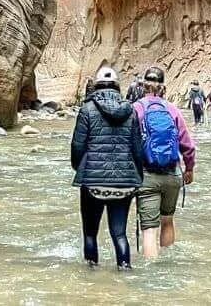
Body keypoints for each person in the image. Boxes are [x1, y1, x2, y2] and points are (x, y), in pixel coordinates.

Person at [71, 66, 149, 269]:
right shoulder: (130, 110)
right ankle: (125, 271)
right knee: (120, 234)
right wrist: (137, 177)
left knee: (90, 233)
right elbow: (137, 148)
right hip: (124, 182)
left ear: (96, 86)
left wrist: (79, 169)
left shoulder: (87, 109)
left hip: (93, 182)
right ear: (117, 87)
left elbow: (78, 145)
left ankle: (89, 277)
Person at [132, 66, 196, 258]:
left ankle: (151, 276)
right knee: (167, 221)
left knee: (149, 229)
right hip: (172, 174)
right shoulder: (172, 109)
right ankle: (168, 265)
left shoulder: (136, 109)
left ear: (144, 86)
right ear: (163, 87)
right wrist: (189, 169)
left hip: (146, 175)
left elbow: (127, 143)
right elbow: (188, 145)